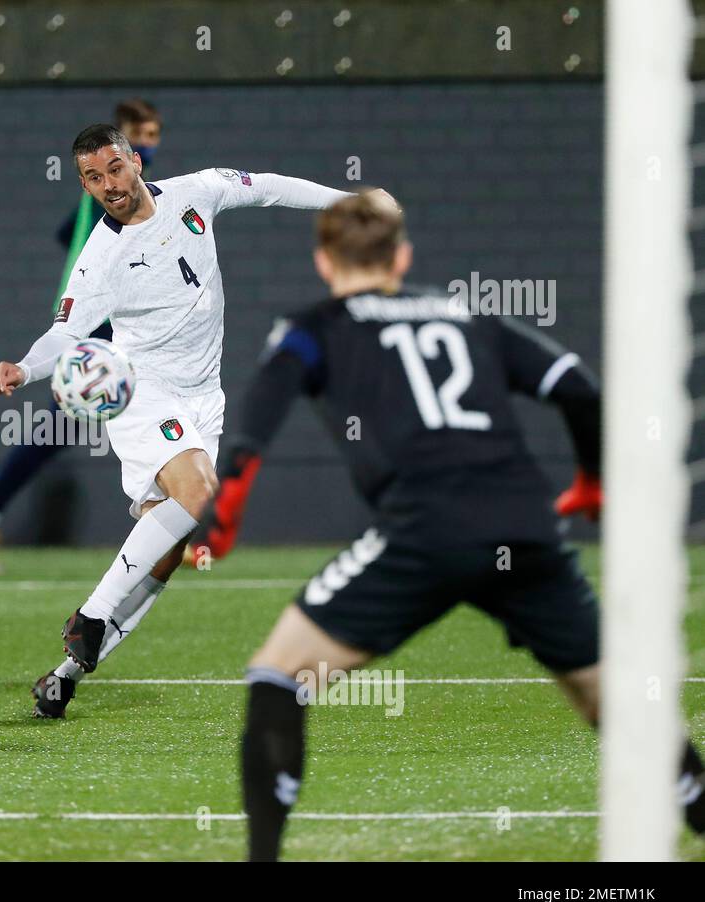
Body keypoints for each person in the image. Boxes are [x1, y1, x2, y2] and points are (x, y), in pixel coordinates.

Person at [213, 191, 703, 859]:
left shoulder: (312, 327)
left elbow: (259, 412)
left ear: (324, 262)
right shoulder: (471, 315)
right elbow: (578, 387)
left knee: (279, 675)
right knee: (608, 700)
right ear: (403, 257)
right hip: (526, 528)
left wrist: (229, 497)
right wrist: (592, 482)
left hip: (423, 531)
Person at [0, 124, 387, 719]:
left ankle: (66, 675)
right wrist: (24, 368)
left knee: (167, 550)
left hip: (204, 396)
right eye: (92, 179)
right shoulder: (100, 258)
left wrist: (348, 202)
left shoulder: (198, 192)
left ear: (135, 162)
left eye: (114, 170)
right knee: (201, 496)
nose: (108, 185)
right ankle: (91, 616)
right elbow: (66, 332)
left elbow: (269, 188)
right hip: (139, 390)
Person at [0, 98, 162, 575]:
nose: (149, 145)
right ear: (125, 139)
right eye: (142, 136)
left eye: (154, 136)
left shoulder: (106, 198)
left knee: (66, 425)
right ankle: (172, 517)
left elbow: (67, 230)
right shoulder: (123, 178)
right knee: (134, 411)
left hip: (103, 319)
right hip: (95, 322)